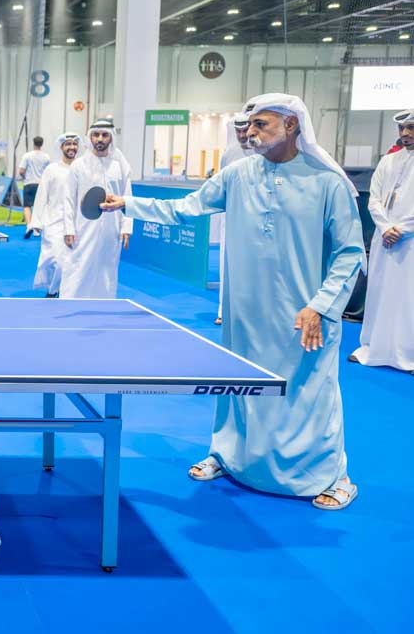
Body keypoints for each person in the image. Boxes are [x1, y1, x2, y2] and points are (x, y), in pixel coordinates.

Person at [101, 93, 364, 510]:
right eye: (249, 125)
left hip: (305, 314)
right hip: (245, 311)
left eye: (261, 124)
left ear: (292, 125)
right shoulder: (237, 175)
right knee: (238, 383)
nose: (251, 132)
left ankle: (334, 475)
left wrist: (322, 305)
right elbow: (186, 209)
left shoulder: (326, 182)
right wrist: (128, 204)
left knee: (311, 393)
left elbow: (350, 254)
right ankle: (229, 454)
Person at [350, 109, 414, 374]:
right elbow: (374, 199)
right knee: (378, 292)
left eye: (411, 128)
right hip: (384, 240)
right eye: (402, 129)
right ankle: (373, 346)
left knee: (407, 297)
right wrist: (386, 227)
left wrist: (402, 229)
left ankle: (408, 352)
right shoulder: (388, 162)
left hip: (409, 242)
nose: (406, 133)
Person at [60, 119, 133, 299]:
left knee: (107, 269)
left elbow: (127, 197)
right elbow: (68, 199)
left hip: (112, 230)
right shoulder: (79, 165)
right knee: (78, 267)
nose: (100, 139)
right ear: (89, 137)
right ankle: (69, 304)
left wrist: (126, 227)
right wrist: (68, 228)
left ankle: (104, 306)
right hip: (82, 228)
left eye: (104, 135)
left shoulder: (119, 165)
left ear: (111, 138)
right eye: (95, 134)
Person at [29, 133, 83, 297]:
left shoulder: (82, 169)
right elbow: (41, 196)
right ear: (61, 147)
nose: (71, 147)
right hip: (53, 223)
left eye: (74, 144)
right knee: (54, 259)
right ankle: (53, 289)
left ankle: (57, 292)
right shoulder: (51, 169)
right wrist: (36, 222)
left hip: (76, 223)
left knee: (69, 262)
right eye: (68, 144)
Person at [215, 113, 253, 324]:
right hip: (230, 216)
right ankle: (224, 310)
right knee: (226, 263)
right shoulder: (228, 155)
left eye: (244, 130)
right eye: (237, 130)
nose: (241, 134)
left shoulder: (262, 152)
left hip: (256, 219)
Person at [18, 136, 50, 224]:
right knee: (39, 206)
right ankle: (37, 227)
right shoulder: (46, 157)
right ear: (42, 144)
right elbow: (48, 172)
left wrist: (25, 177)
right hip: (41, 184)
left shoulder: (27, 156)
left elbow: (21, 171)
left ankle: (29, 225)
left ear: (33, 143)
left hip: (29, 183)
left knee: (27, 206)